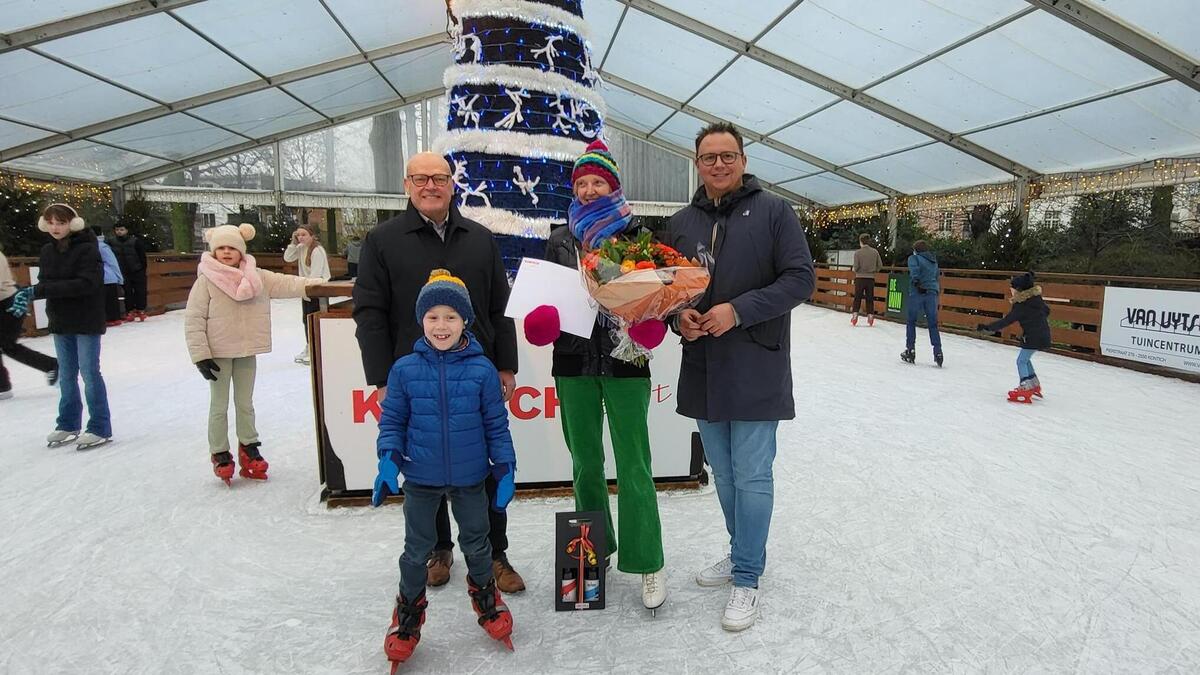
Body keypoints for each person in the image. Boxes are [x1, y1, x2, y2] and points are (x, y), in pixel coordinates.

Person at [662, 121, 815, 631]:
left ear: (743, 161)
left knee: (751, 474)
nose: (720, 164)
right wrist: (675, 317)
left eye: (729, 156)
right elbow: (664, 290)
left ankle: (748, 575)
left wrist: (738, 311)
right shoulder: (681, 222)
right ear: (697, 163)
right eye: (710, 157)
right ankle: (739, 551)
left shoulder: (774, 212)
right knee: (723, 475)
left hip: (755, 362)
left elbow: (800, 279)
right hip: (703, 365)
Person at [352, 151, 524, 593]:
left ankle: (494, 553)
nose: (431, 186)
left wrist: (505, 365)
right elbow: (369, 312)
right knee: (427, 467)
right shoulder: (383, 240)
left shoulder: (480, 239)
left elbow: (499, 309)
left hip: (475, 376)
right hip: (416, 381)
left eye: (440, 178)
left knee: (481, 465)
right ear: (407, 185)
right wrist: (383, 377)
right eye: (421, 178)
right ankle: (439, 549)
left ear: (453, 184)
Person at [535, 140, 666, 609]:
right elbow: (544, 297)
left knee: (635, 465)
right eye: (582, 183)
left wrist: (655, 323)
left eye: (598, 182)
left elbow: (657, 297)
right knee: (585, 465)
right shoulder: (558, 239)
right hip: (572, 365)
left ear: (614, 187)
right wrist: (542, 320)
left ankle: (648, 561)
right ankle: (590, 558)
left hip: (625, 364)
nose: (589, 190)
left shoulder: (637, 236)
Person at [371, 269, 517, 666]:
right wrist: (389, 460)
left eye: (450, 317)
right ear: (422, 321)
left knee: (477, 542)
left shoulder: (482, 370)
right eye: (433, 316)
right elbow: (393, 422)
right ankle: (408, 612)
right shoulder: (403, 370)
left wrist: (504, 466)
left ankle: (486, 597)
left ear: (465, 321)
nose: (441, 325)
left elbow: (495, 425)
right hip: (420, 477)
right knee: (417, 549)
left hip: (471, 477)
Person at [185, 224, 321, 484]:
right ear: (214, 252)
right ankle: (220, 451)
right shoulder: (206, 280)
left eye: (232, 248)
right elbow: (193, 319)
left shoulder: (255, 275)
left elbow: (287, 283)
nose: (226, 252)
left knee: (245, 403)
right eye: (221, 248)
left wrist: (320, 284)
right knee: (219, 405)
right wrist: (200, 355)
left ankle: (248, 446)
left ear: (240, 251)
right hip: (217, 354)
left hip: (245, 351)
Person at [34, 204, 113, 450]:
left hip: (86, 319)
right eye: (51, 222)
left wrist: (46, 289)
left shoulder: (88, 249)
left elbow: (87, 284)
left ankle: (99, 426)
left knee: (89, 373)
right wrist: (40, 290)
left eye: (61, 222)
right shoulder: (47, 251)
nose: (56, 227)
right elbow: (44, 281)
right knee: (66, 375)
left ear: (73, 223)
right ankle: (68, 423)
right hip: (60, 319)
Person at [977, 271, 1050, 402]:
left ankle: (1025, 386)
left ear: (1019, 290)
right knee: (1025, 359)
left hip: (1033, 337)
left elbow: (1006, 321)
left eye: (1012, 289)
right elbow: (1046, 311)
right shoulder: (1036, 300)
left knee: (1021, 361)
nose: (1011, 291)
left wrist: (988, 327)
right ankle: (1033, 383)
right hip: (1043, 335)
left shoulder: (1021, 306)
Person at [1, 247, 58, 399]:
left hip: (9, 302)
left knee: (7, 344)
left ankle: (52, 365)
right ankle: (2, 386)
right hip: (5, 301)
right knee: (6, 344)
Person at [283, 223, 330, 365]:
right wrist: (293, 243)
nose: (300, 237)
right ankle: (309, 345)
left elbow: (316, 274)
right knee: (306, 319)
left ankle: (317, 349)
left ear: (312, 235)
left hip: (317, 290)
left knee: (315, 319)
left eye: (304, 234)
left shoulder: (317, 250)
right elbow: (288, 257)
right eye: (298, 235)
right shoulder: (300, 248)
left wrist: (306, 285)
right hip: (306, 289)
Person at [901, 239, 943, 366]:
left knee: (911, 321)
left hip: (917, 292)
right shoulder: (933, 261)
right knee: (933, 324)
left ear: (916, 250)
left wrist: (916, 282)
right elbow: (936, 277)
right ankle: (938, 352)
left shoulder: (914, 259)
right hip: (932, 293)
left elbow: (914, 271)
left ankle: (910, 349)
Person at [108, 224, 147, 322]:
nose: (119, 232)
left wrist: (142, 268)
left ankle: (141, 310)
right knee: (127, 292)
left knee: (140, 291)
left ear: (126, 230)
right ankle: (130, 311)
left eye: (122, 229)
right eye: (117, 230)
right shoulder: (112, 242)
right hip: (123, 270)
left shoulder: (135, 241)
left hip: (136, 269)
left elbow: (142, 256)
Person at [851, 232, 883, 326]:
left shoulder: (857, 253)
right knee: (869, 298)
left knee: (857, 297)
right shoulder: (875, 252)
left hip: (860, 278)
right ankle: (870, 317)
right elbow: (880, 265)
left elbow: (856, 267)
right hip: (870, 278)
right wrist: (874, 270)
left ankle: (855, 316)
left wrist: (856, 270)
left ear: (860, 241)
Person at [94, 228, 125, 327]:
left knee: (102, 300)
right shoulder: (102, 247)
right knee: (111, 300)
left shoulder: (87, 246)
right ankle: (113, 318)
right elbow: (112, 262)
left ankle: (104, 318)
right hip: (108, 276)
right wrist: (120, 278)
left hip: (96, 277)